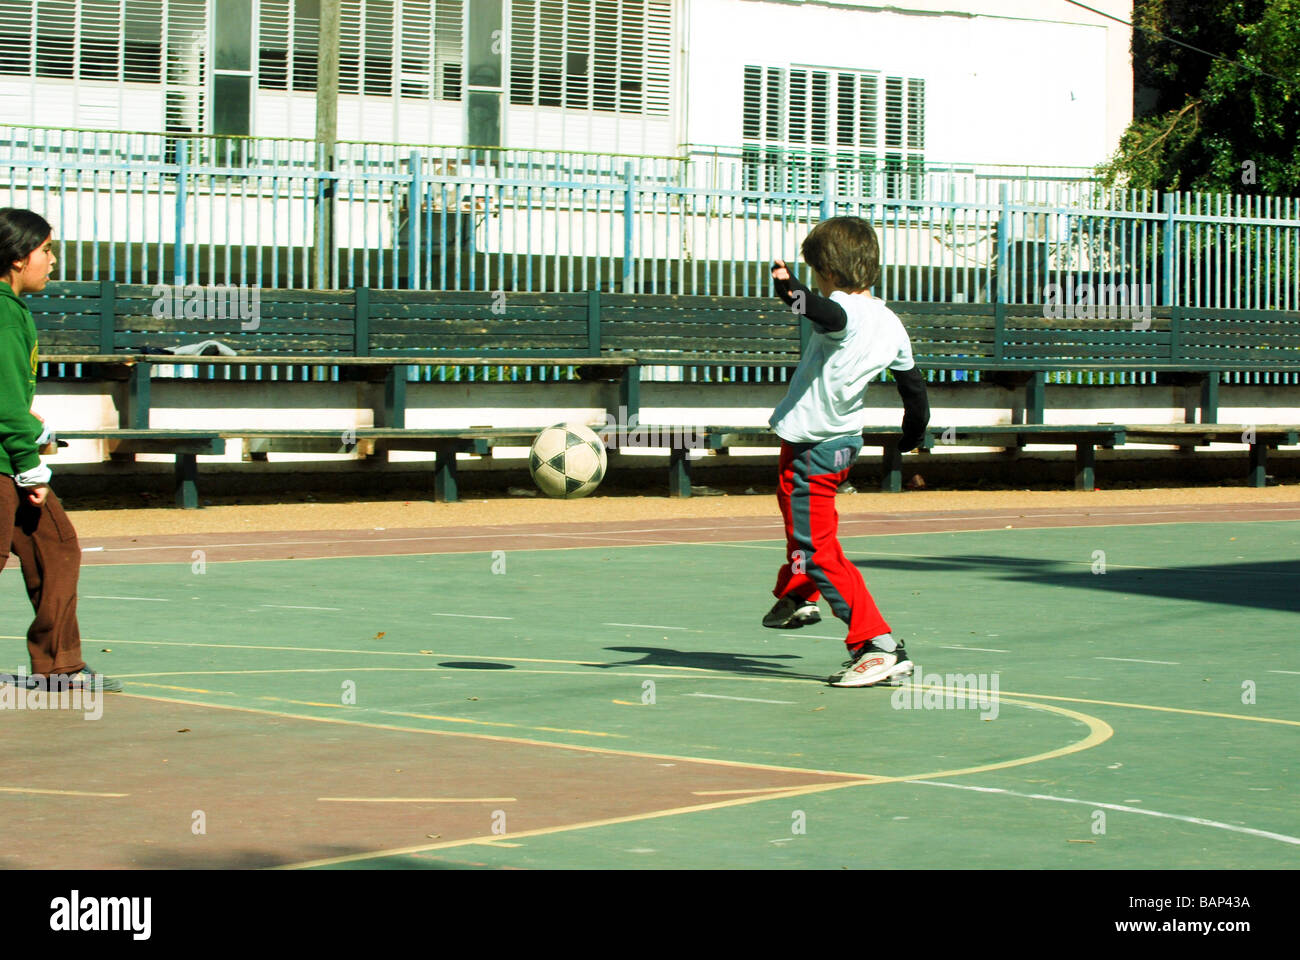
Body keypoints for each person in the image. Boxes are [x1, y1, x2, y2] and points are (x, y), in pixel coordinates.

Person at [763, 216, 929, 687]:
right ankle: (798, 595)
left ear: (830, 273)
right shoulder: (890, 321)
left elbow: (820, 312)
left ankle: (876, 645)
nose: (814, 281)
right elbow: (913, 388)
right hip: (838, 442)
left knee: (818, 549)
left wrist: (787, 288)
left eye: (815, 272)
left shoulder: (843, 310)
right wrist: (914, 432)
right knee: (807, 530)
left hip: (815, 446)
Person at [0, 207, 121, 693]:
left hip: (10, 457)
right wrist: (31, 468)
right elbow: (4, 402)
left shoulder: (14, 310)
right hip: (7, 467)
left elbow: (9, 399)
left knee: (57, 548)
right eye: (46, 250)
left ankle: (59, 666)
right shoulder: (5, 317)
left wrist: (30, 425)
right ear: (15, 257)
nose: (52, 261)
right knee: (58, 547)